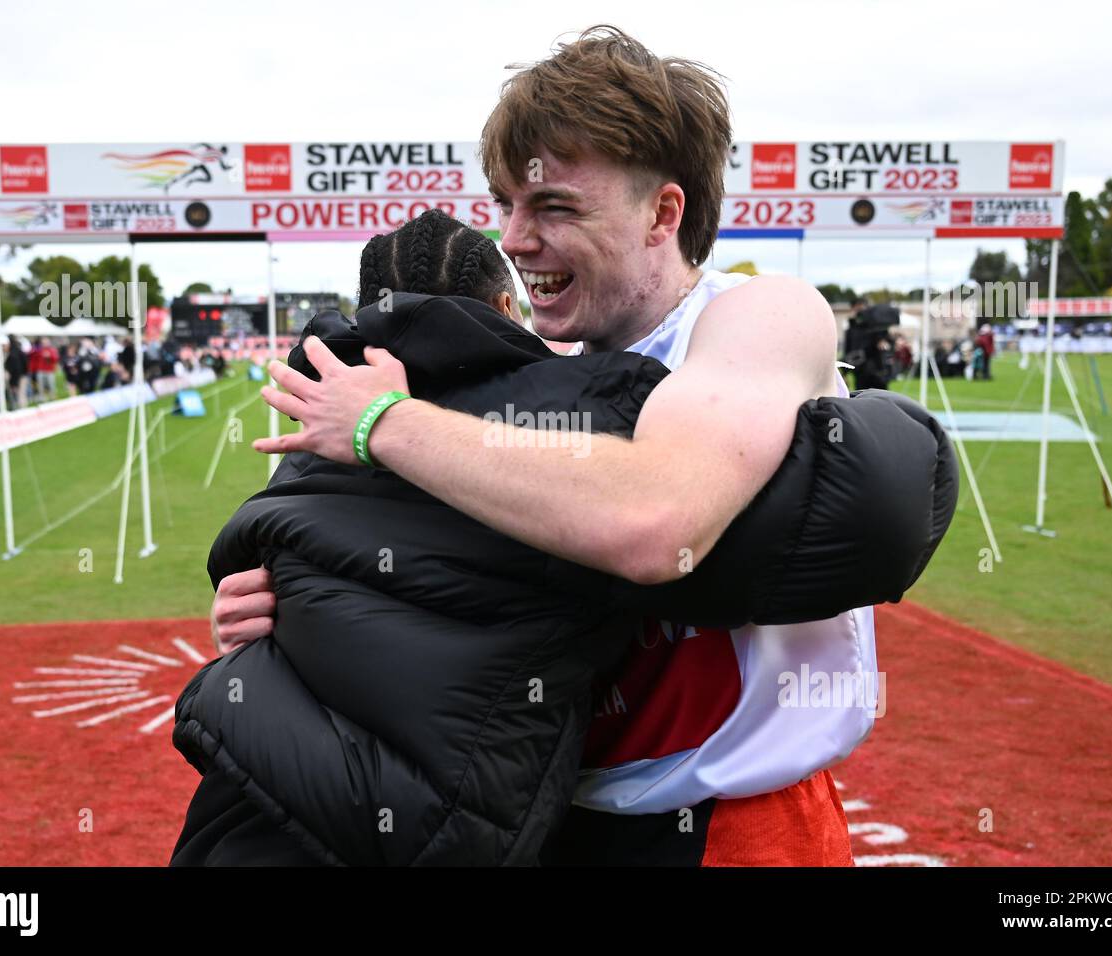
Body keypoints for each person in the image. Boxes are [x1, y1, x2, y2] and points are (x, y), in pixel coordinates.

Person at [217, 27, 902, 867]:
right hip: (554, 819)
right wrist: (280, 611)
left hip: (722, 823)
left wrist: (381, 423)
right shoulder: (550, 375)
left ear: (663, 213)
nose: (511, 238)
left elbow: (657, 522)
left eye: (554, 207)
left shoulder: (757, 318)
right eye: (505, 203)